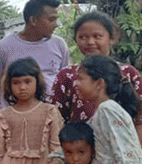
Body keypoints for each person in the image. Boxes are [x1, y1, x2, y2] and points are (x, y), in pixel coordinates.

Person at [51, 11, 142, 141]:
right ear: (75, 40)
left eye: (97, 36)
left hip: (122, 147)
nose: (90, 42)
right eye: (82, 37)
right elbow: (56, 119)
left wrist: (134, 148)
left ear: (111, 39)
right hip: (78, 149)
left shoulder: (128, 73)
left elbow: (139, 119)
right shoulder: (66, 76)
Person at [0, 0, 69, 107]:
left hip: (52, 113)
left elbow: (64, 80)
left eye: (56, 19)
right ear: (33, 20)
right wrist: (11, 106)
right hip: (17, 116)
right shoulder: (2, 49)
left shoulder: (59, 45)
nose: (56, 24)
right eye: (51, 20)